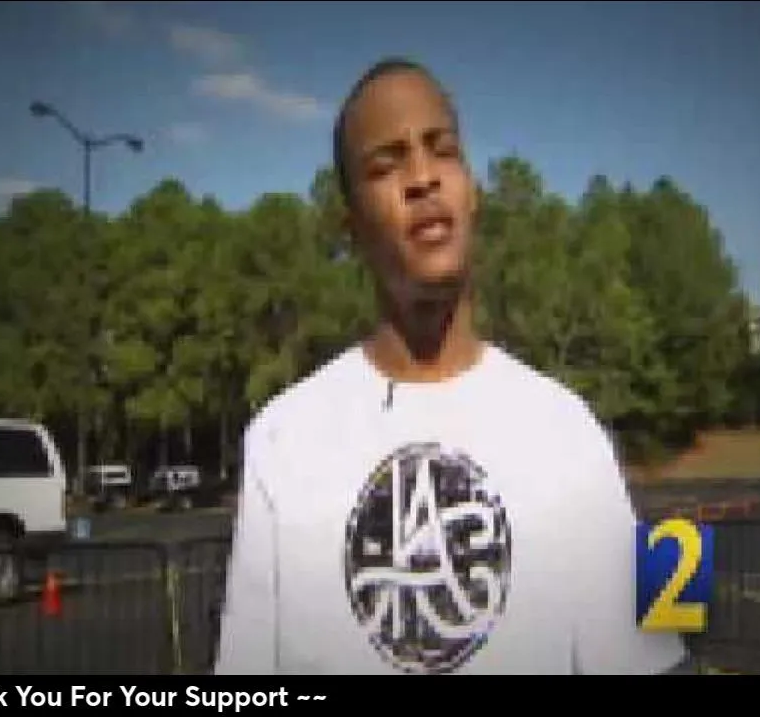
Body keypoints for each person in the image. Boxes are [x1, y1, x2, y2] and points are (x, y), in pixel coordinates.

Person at [213, 58, 689, 675]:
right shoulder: (281, 440)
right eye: (386, 165)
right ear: (350, 226)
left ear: (472, 191)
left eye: (442, 150)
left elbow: (652, 660)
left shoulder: (568, 428)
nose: (422, 178)